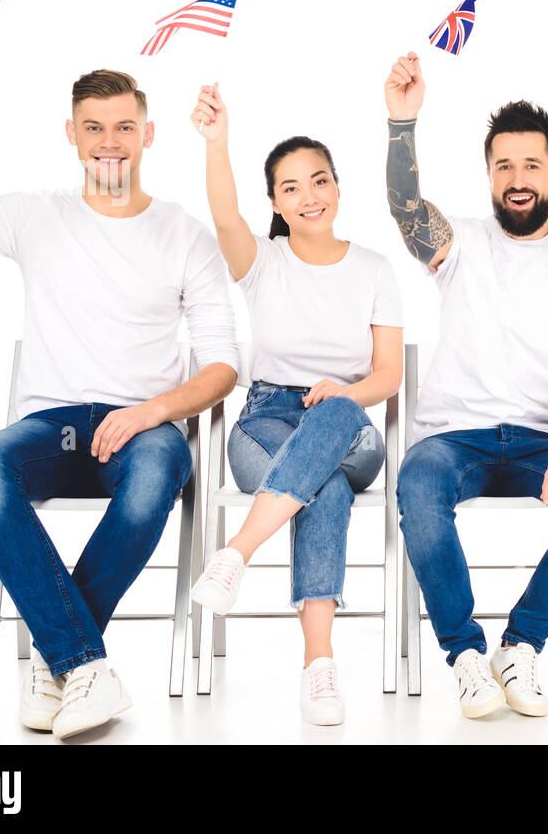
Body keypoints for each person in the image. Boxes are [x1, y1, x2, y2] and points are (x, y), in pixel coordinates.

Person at [0, 70, 239, 740]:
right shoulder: (34, 214)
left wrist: (151, 411)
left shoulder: (184, 234)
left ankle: (59, 660)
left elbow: (223, 364)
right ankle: (81, 662)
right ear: (71, 134)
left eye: (125, 127)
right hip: (51, 426)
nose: (110, 142)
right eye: (94, 127)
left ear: (148, 134)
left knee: (158, 472)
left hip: (144, 428)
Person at [384, 51, 548, 719]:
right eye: (503, 166)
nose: (517, 180)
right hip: (452, 437)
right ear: (489, 173)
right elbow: (406, 208)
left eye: (530, 165)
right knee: (418, 484)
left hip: (539, 441)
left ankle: (521, 645)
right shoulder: (459, 243)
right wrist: (401, 123)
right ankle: (466, 656)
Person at [186, 84, 403, 726]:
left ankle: (236, 554)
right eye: (291, 188)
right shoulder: (262, 262)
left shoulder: (373, 268)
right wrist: (217, 142)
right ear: (276, 202)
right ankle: (319, 666)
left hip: (348, 422)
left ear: (338, 187)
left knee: (333, 419)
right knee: (325, 490)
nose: (309, 196)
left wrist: (344, 393)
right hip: (267, 420)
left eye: (320, 181)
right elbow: (224, 215)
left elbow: (387, 375)